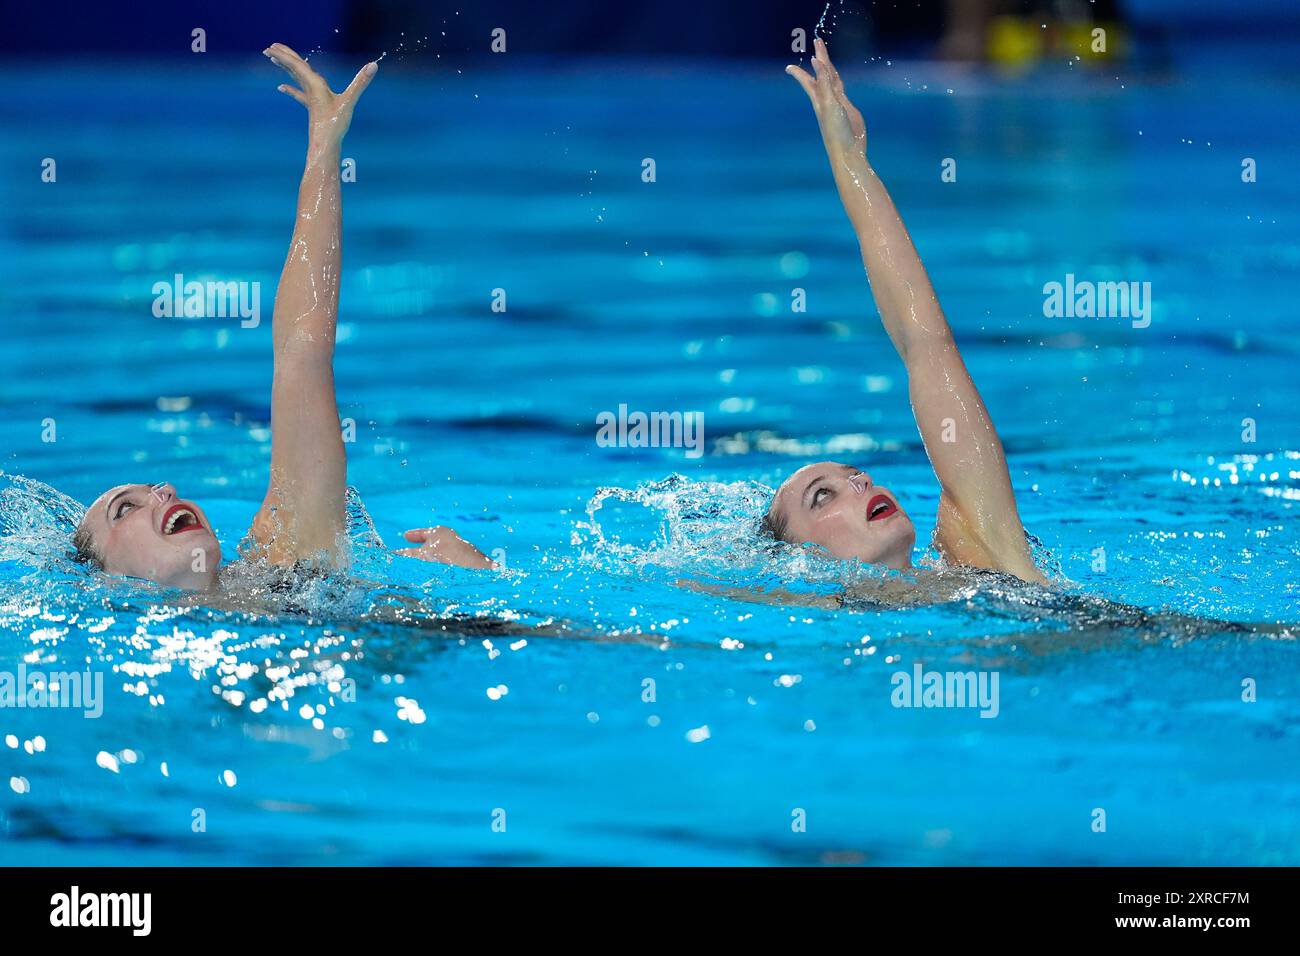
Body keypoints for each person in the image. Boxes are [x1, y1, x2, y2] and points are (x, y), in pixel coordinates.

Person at [70, 44, 494, 591]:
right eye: (125, 509)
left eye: (152, 488)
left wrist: (324, 145)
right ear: (108, 581)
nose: (166, 490)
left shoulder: (284, 562)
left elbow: (301, 352)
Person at [766, 39, 1045, 585]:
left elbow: (925, 343)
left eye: (855, 476)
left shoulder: (981, 553)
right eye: (823, 498)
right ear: (802, 562)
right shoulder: (813, 627)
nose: (861, 486)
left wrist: (851, 164)